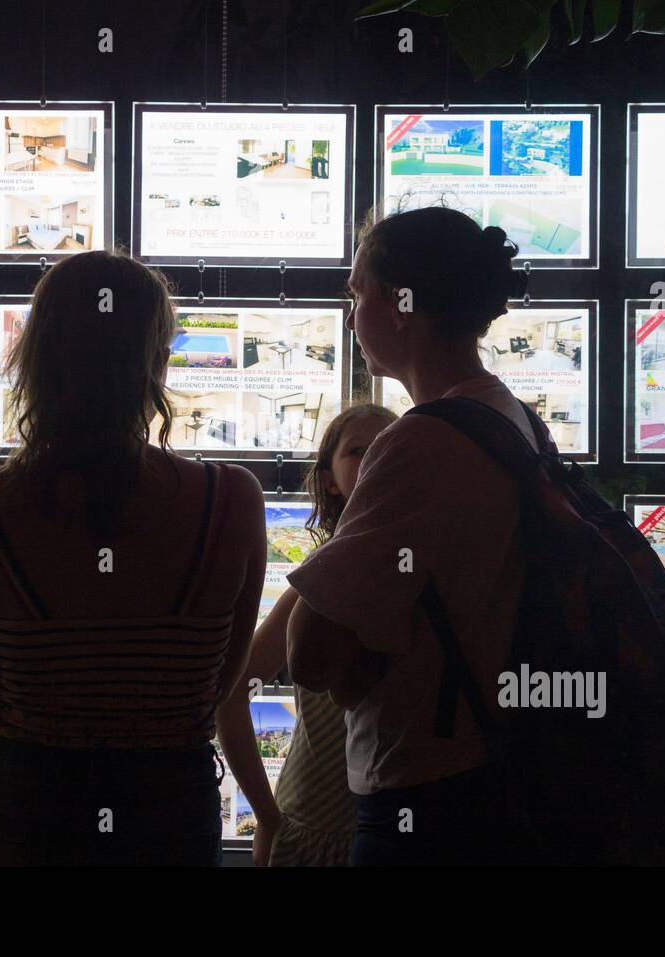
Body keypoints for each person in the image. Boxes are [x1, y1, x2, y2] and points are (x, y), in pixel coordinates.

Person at [0, 249, 266, 866]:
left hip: (26, 813)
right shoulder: (231, 500)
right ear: (155, 361)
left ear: (37, 360)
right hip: (169, 813)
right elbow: (213, 688)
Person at [285, 206, 537, 867]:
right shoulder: (509, 414)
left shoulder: (421, 440)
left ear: (400, 305)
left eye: (355, 292)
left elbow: (309, 650)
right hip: (488, 775)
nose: (349, 314)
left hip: (421, 804)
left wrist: (355, 663)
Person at [215, 403, 397, 867]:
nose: (375, 457)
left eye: (388, 445)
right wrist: (268, 817)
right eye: (358, 450)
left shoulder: (430, 573)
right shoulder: (314, 584)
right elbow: (232, 694)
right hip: (311, 835)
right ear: (330, 479)